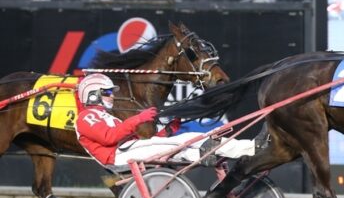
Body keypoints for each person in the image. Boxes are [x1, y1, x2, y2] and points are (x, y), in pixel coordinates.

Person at [74, 73, 255, 169]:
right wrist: (139, 118)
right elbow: (109, 137)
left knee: (189, 142)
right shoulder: (86, 117)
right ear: (92, 95)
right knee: (188, 140)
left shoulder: (106, 116)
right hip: (119, 156)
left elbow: (142, 142)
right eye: (107, 92)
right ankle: (250, 148)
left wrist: (168, 131)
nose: (112, 96)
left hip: (130, 149)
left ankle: (243, 150)